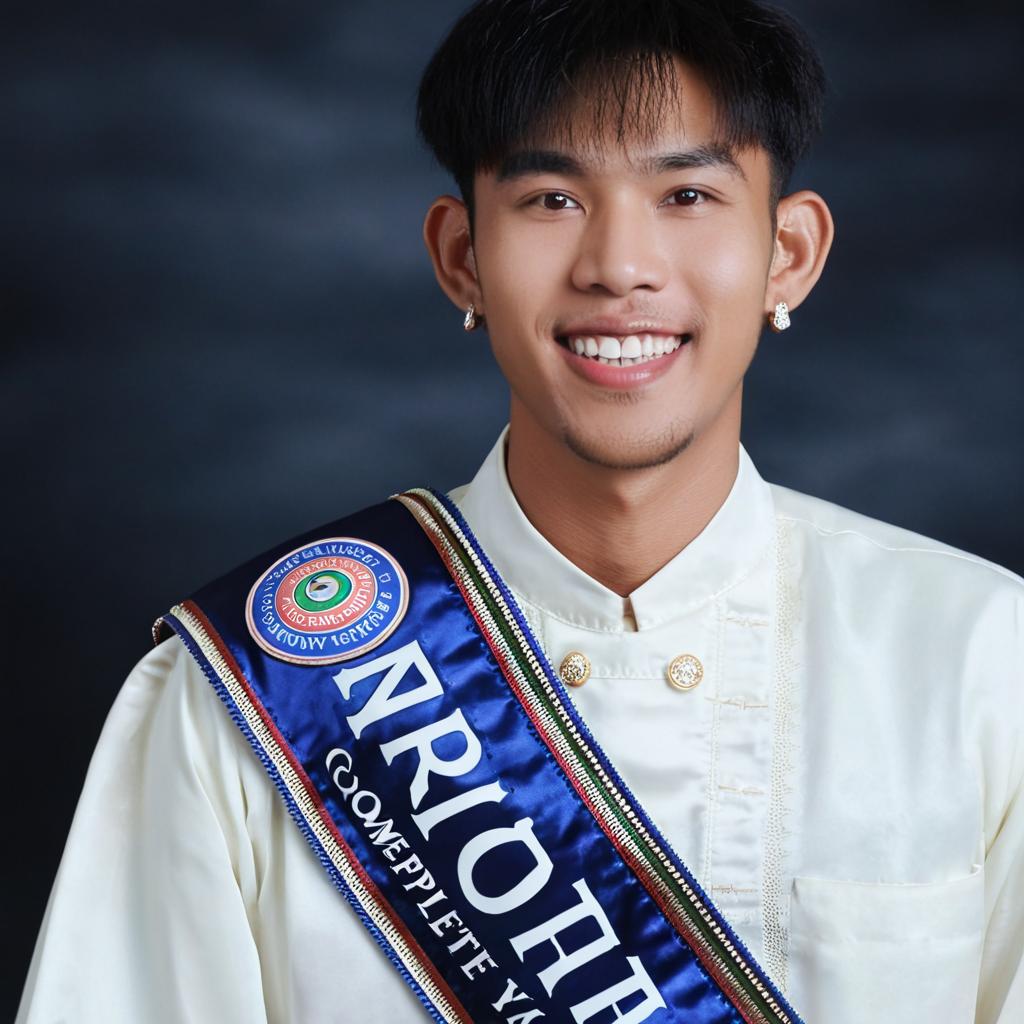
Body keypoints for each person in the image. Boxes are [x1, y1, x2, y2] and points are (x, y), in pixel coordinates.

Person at [17, 0, 1022, 1021]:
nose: (619, 266)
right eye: (551, 198)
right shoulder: (248, 690)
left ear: (788, 252)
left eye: (685, 192)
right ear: (461, 256)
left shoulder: (984, 660)